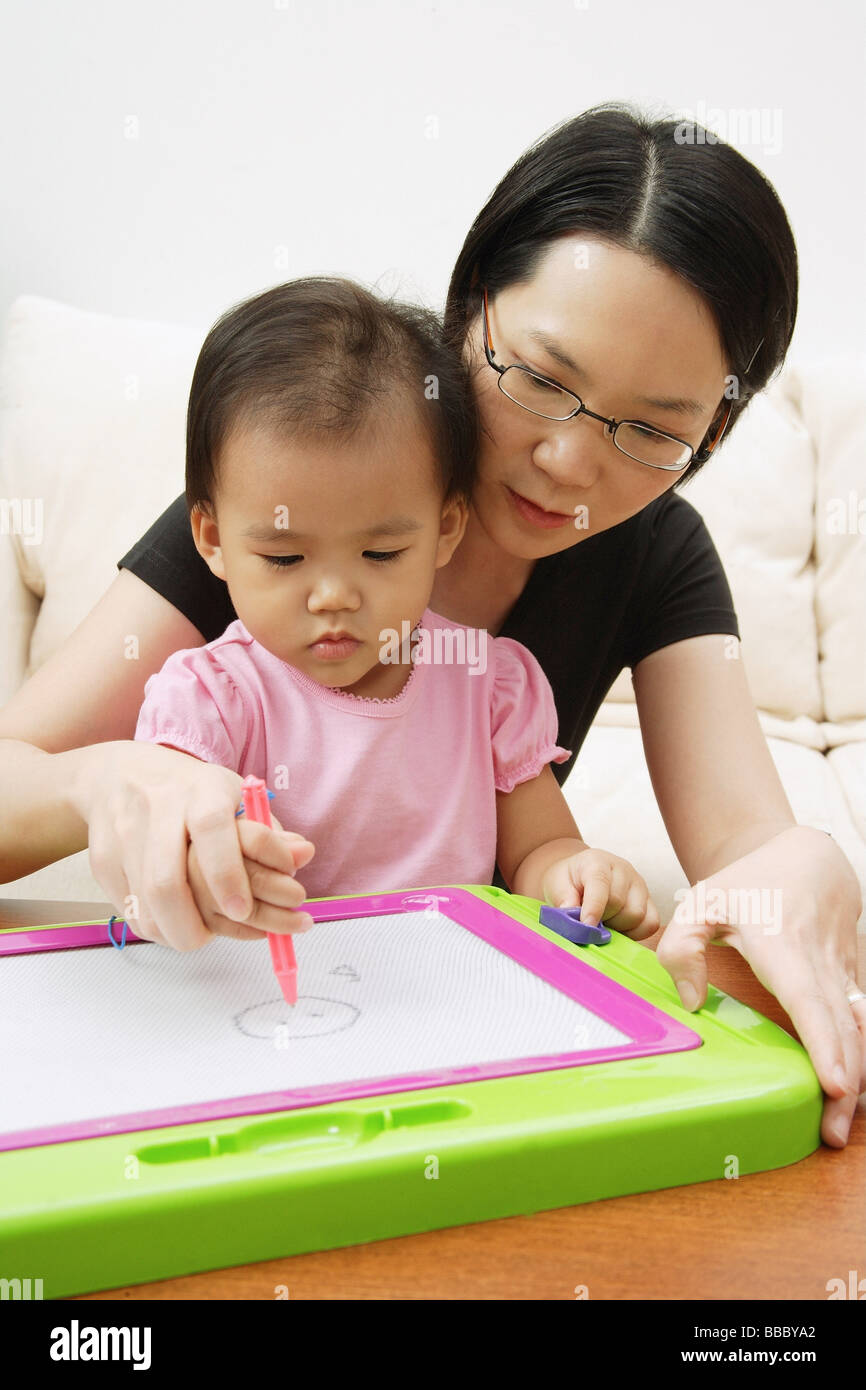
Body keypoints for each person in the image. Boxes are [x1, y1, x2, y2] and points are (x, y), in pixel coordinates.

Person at [0, 103, 861, 1148]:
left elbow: (740, 841)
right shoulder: (298, 505)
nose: (569, 462)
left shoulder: (653, 554)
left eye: (651, 430)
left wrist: (795, 860)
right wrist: (101, 781)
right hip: (239, 1027)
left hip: (462, 1057)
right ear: (467, 312)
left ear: (714, 432)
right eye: (541, 380)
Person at [133, 275, 659, 931]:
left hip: (445, 1002)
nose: (332, 597)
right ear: (212, 540)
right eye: (284, 558)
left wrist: (575, 874)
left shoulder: (485, 684)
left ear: (445, 529)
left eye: (380, 555)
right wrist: (206, 857)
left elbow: (540, 851)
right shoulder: (211, 700)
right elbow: (165, 846)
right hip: (272, 998)